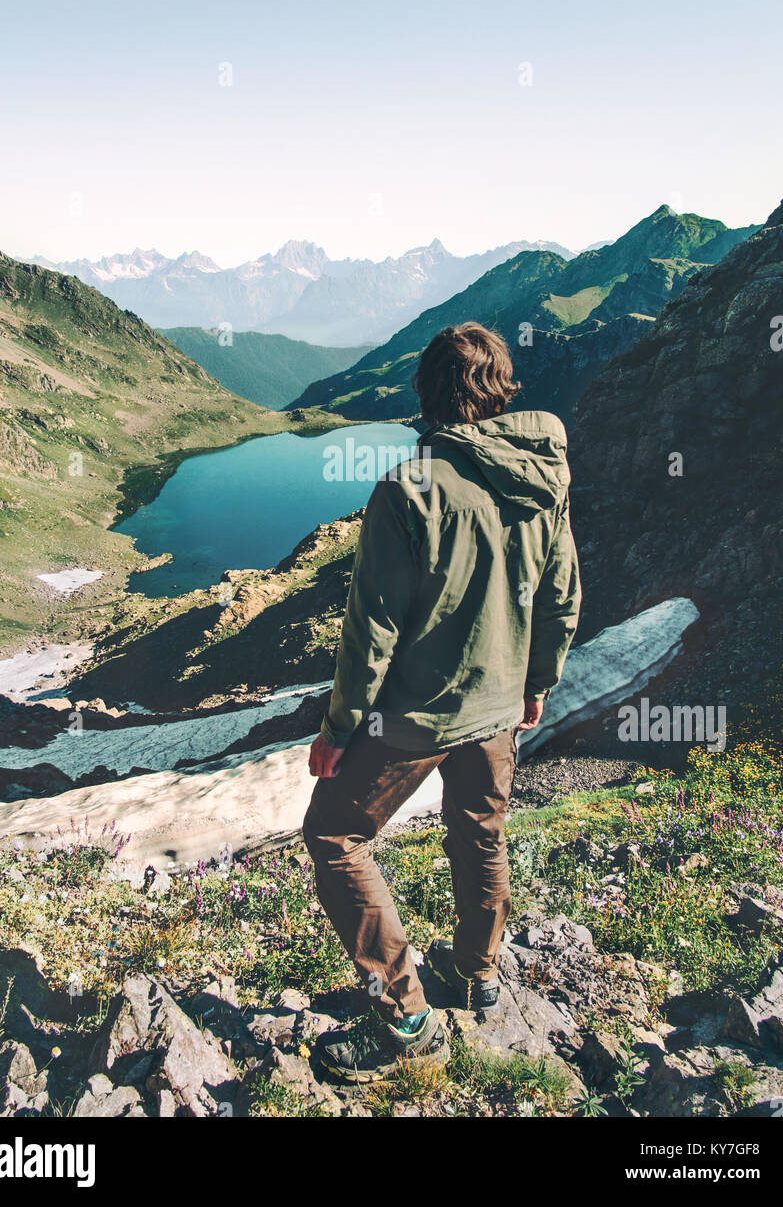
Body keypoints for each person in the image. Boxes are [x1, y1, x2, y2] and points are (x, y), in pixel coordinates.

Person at [303, 321, 581, 1082]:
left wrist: (337, 729)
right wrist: (537, 684)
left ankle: (405, 1019)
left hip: (418, 713)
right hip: (498, 707)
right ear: (501, 389)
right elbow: (560, 597)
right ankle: (477, 974)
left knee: (334, 836)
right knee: (480, 833)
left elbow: (373, 630)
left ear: (426, 393)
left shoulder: (408, 488)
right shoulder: (542, 475)